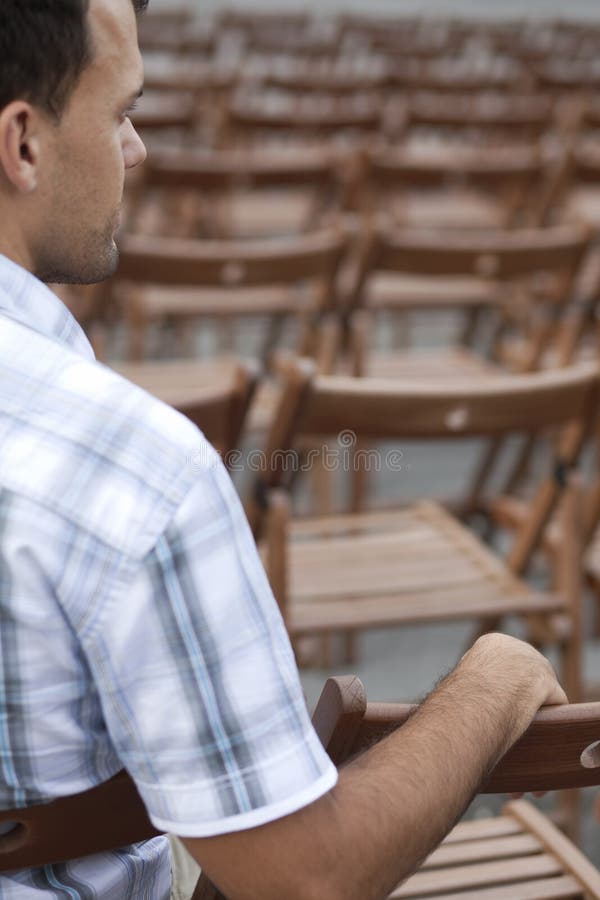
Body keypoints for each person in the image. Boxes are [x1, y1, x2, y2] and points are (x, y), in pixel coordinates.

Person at [0, 1, 569, 898]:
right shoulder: (136, 475)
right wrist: (498, 677)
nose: (139, 148)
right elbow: (304, 879)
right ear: (22, 143)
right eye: (121, 113)